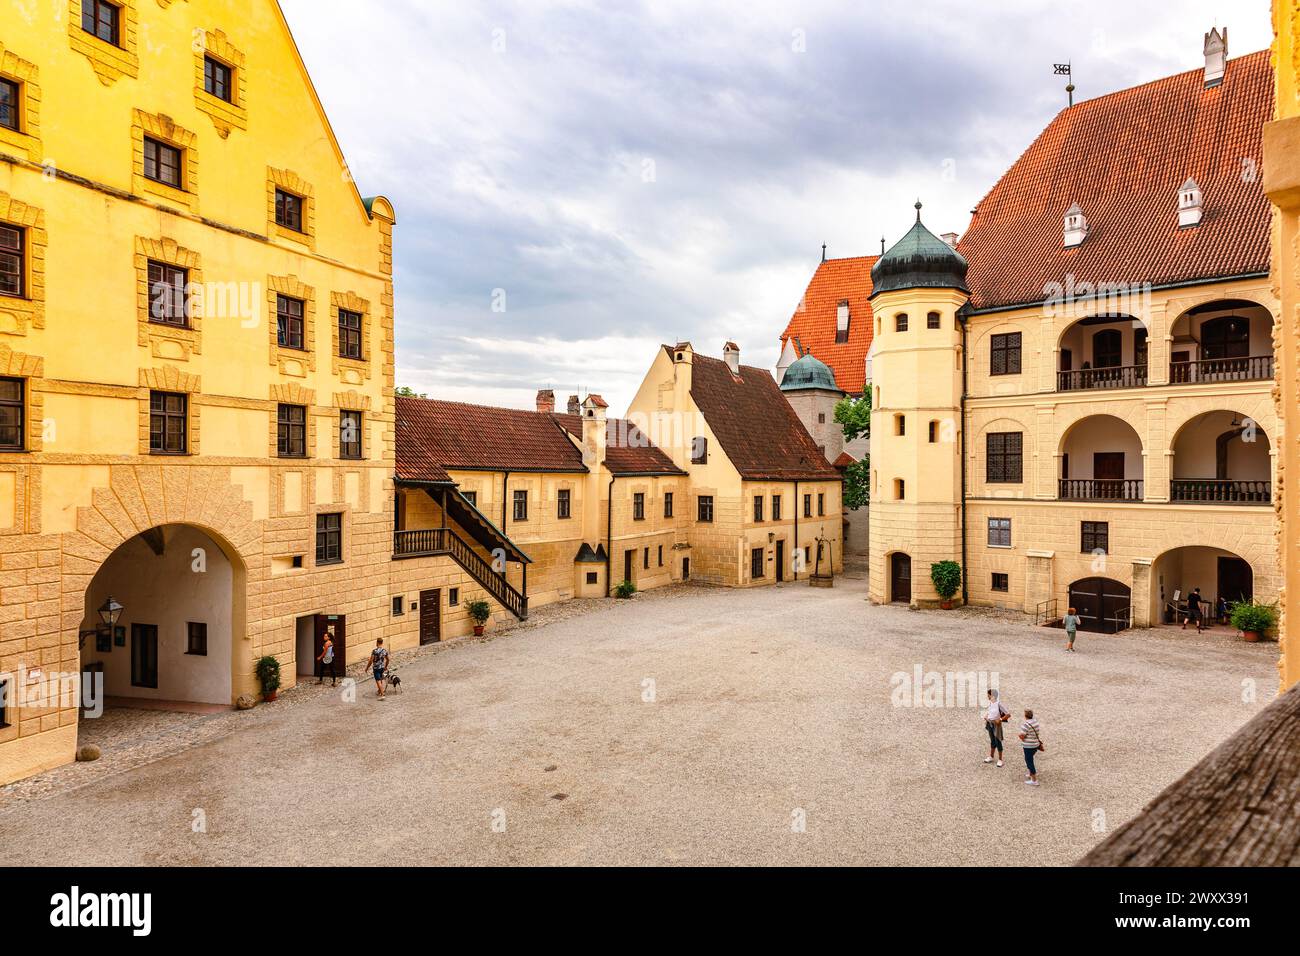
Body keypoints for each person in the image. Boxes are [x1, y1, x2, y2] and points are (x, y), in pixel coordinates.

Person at [982, 689, 1009, 767]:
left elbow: (1008, 714)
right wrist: (986, 716)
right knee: (992, 740)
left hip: (996, 725)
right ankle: (991, 756)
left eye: (989, 695)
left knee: (998, 741)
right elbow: (990, 712)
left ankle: (1000, 760)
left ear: (992, 696)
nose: (988, 696)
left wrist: (1000, 719)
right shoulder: (991, 703)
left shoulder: (999, 704)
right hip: (989, 723)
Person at [1018, 708, 1044, 786]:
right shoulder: (1035, 722)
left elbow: (1022, 735)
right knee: (1030, 758)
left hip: (1028, 746)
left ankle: (1034, 780)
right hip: (1035, 745)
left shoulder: (1026, 724)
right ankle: (1030, 773)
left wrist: (1019, 736)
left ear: (1025, 716)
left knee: (1029, 761)